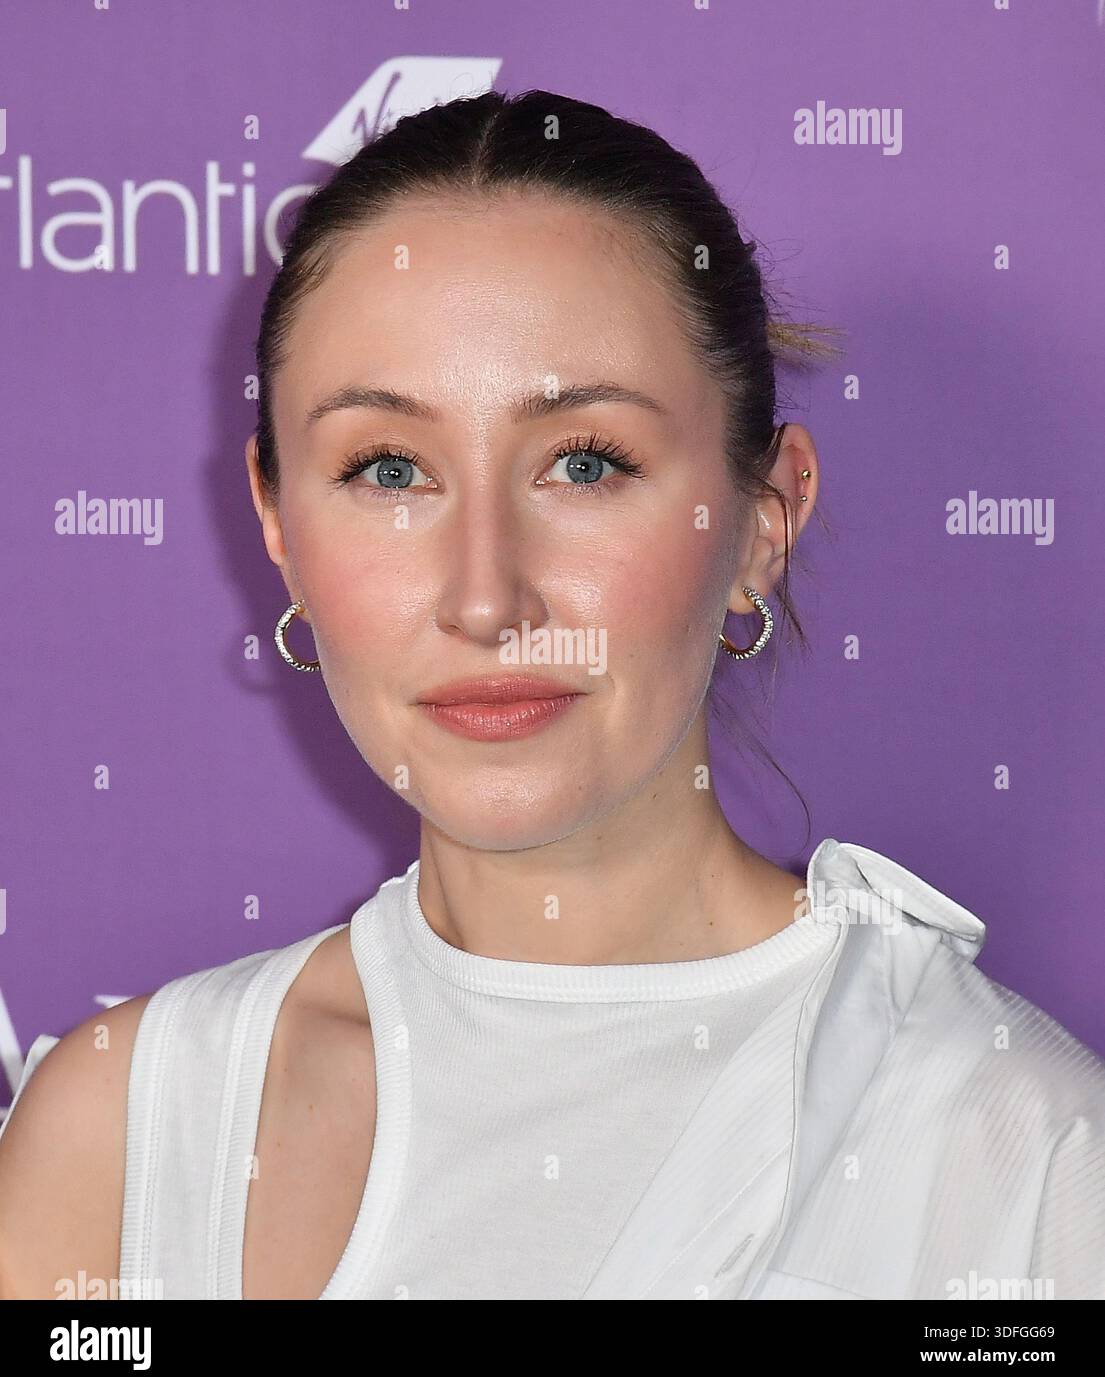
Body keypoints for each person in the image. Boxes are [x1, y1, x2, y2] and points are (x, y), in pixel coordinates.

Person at [1, 88, 1102, 1302]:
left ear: (762, 517)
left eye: (584, 464)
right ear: (275, 524)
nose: (485, 597)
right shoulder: (119, 1132)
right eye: (387, 470)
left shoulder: (1016, 1152)